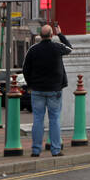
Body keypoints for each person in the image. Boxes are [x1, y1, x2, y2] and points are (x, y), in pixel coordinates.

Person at [22, 22, 71, 157]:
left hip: (37, 90)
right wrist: (60, 33)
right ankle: (55, 150)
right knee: (54, 119)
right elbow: (70, 48)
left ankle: (36, 150)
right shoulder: (57, 47)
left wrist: (30, 84)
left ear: (40, 35)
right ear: (51, 35)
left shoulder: (33, 49)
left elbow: (25, 69)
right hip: (54, 89)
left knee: (38, 119)